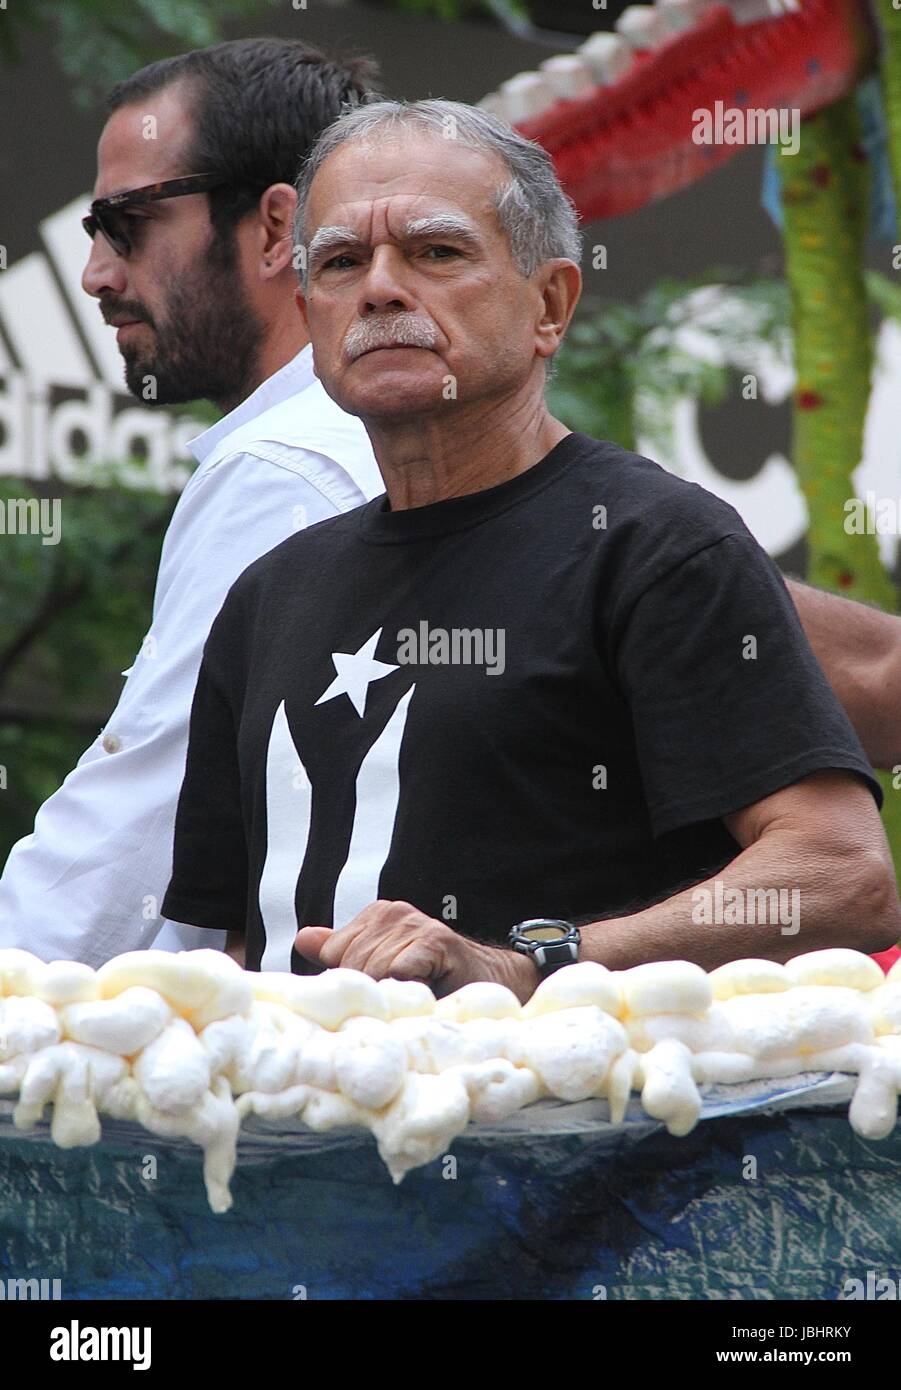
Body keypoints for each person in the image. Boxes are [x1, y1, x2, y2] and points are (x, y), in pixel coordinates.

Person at [161, 98, 901, 997]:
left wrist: (530, 964)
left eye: (436, 252)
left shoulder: (658, 544)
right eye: (343, 262)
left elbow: (839, 876)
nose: (381, 288)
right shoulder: (267, 593)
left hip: (590, 1132)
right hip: (301, 1129)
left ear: (550, 303)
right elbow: (245, 945)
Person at [0, 39, 385, 966]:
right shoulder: (348, 445)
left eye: (123, 222)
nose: (94, 272)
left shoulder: (287, 465)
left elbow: (132, 838)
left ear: (272, 228)